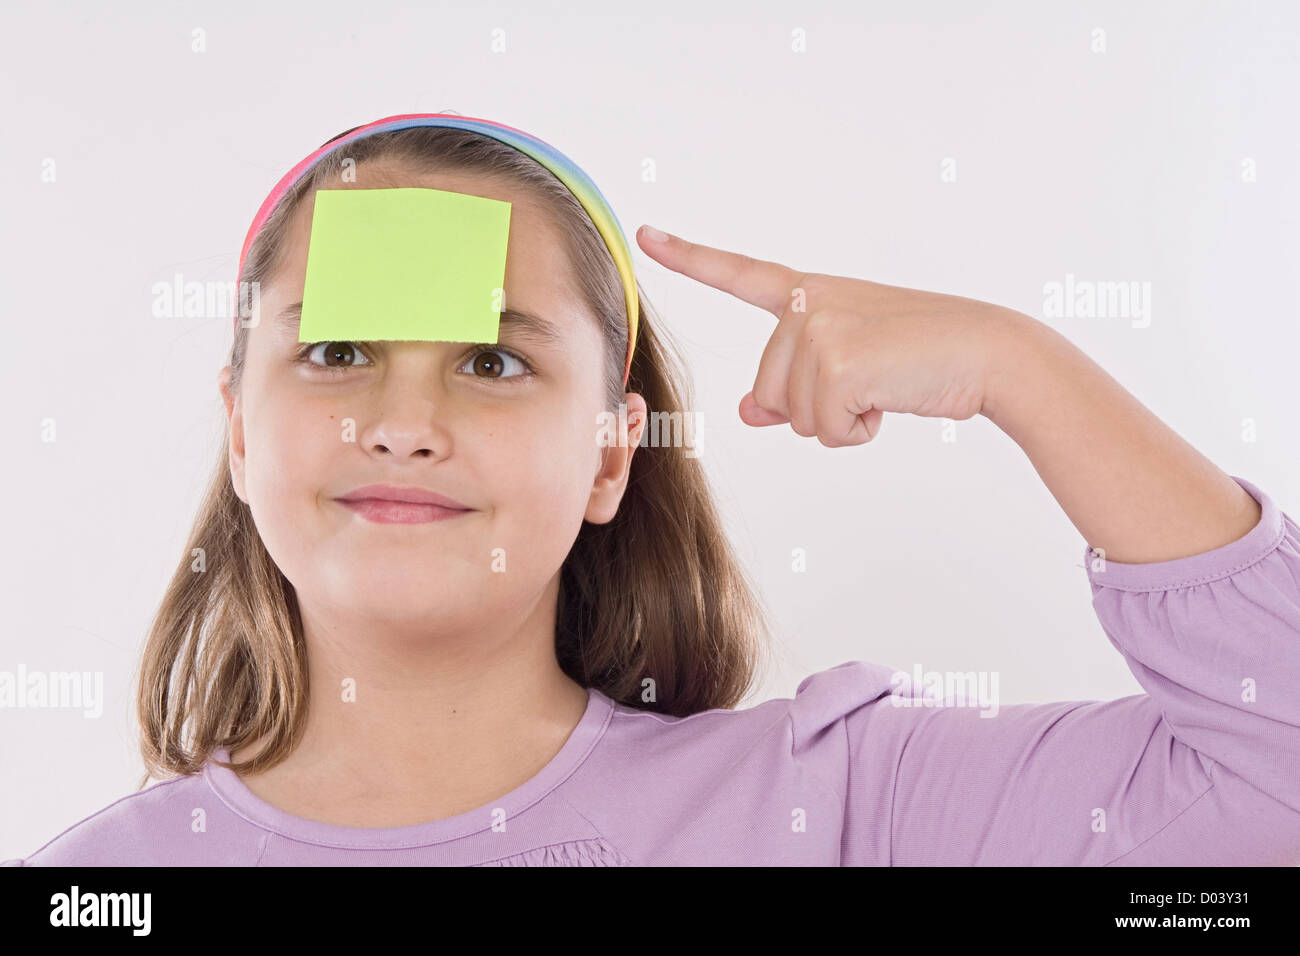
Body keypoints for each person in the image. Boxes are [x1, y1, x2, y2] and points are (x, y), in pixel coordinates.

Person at [8, 114, 1298, 866]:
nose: (404, 424)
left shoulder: (829, 810)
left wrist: (1021, 364)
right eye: (338, 352)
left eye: (493, 359)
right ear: (241, 434)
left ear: (613, 454)